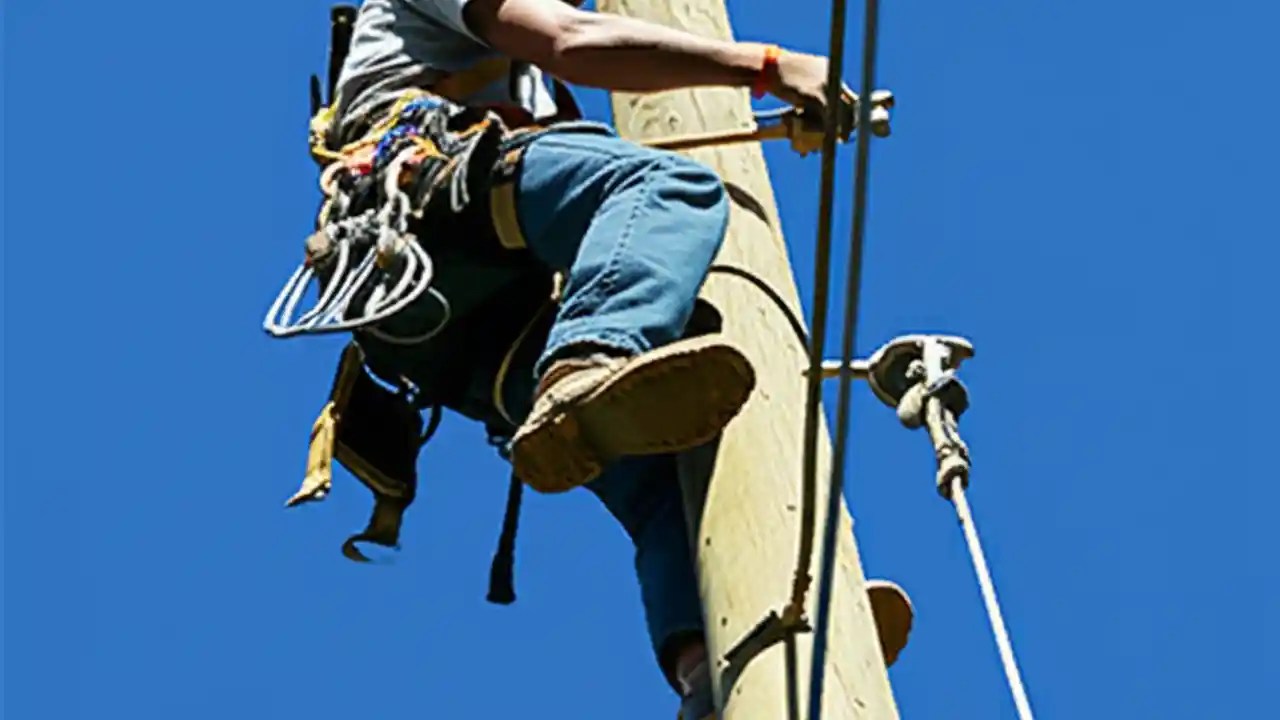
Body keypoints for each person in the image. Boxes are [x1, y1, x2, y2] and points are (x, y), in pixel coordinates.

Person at [310, 1, 843, 716]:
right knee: (662, 190)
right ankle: (588, 358)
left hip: (457, 324)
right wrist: (769, 68)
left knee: (667, 482)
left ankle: (709, 674)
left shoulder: (516, 86)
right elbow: (572, 38)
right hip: (431, 218)